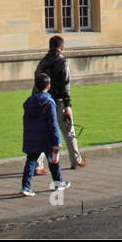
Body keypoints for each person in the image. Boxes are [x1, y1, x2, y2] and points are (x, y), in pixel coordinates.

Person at [36, 35, 86, 171]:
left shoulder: (42, 62)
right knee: (68, 130)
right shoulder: (62, 62)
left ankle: (37, 165)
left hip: (44, 101)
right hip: (58, 101)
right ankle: (76, 160)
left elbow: (37, 82)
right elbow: (65, 85)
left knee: (43, 133)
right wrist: (68, 104)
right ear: (62, 48)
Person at [21, 72, 71, 197]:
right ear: (49, 86)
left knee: (31, 161)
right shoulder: (49, 102)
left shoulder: (29, 102)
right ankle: (58, 182)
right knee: (53, 161)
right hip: (47, 137)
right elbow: (53, 123)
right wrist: (57, 140)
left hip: (32, 136)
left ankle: (26, 186)